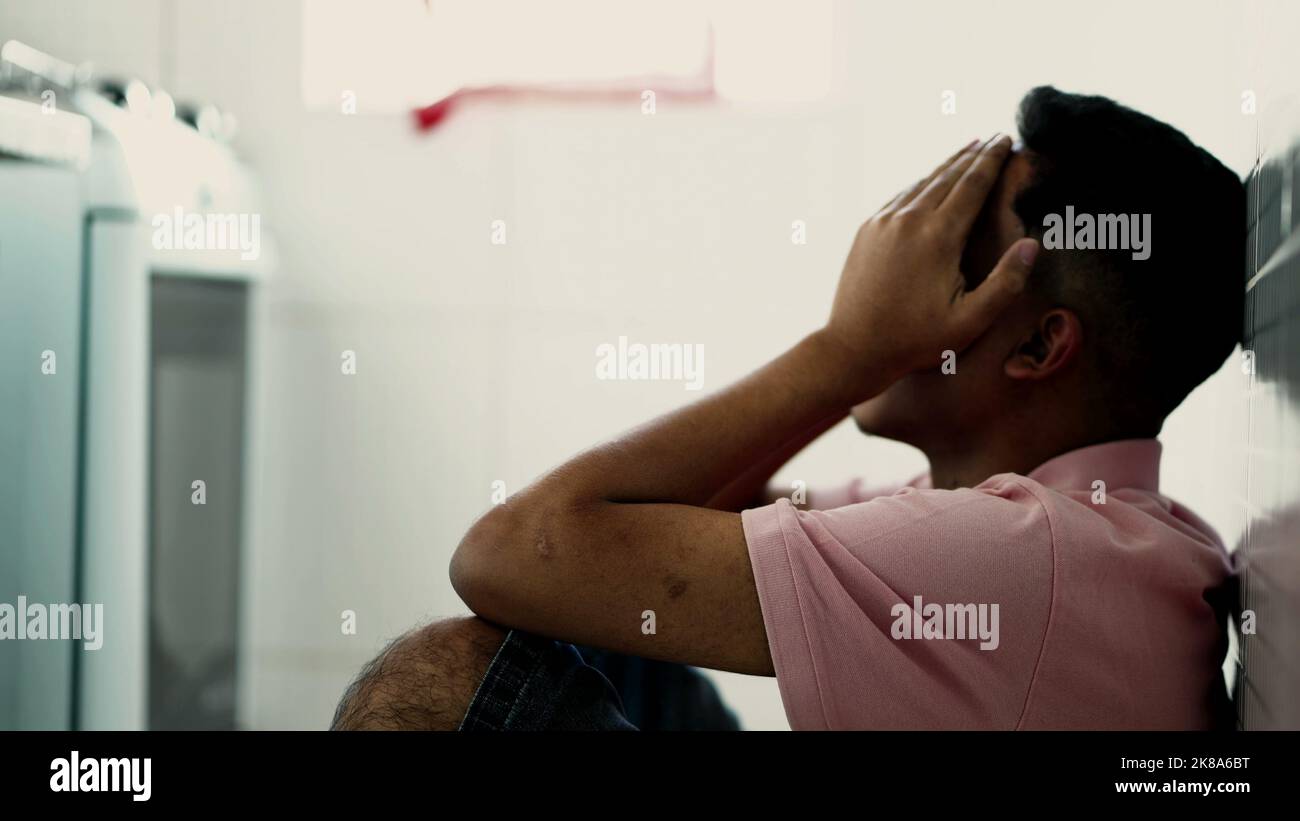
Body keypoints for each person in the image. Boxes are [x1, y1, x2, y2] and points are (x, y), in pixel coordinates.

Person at [333, 87, 1244, 731]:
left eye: (956, 245)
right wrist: (859, 350)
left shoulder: (1021, 557)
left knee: (440, 686)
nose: (902, 264)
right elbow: (661, 532)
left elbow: (500, 556)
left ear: (1040, 348)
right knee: (596, 625)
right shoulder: (1074, 530)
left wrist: (853, 351)